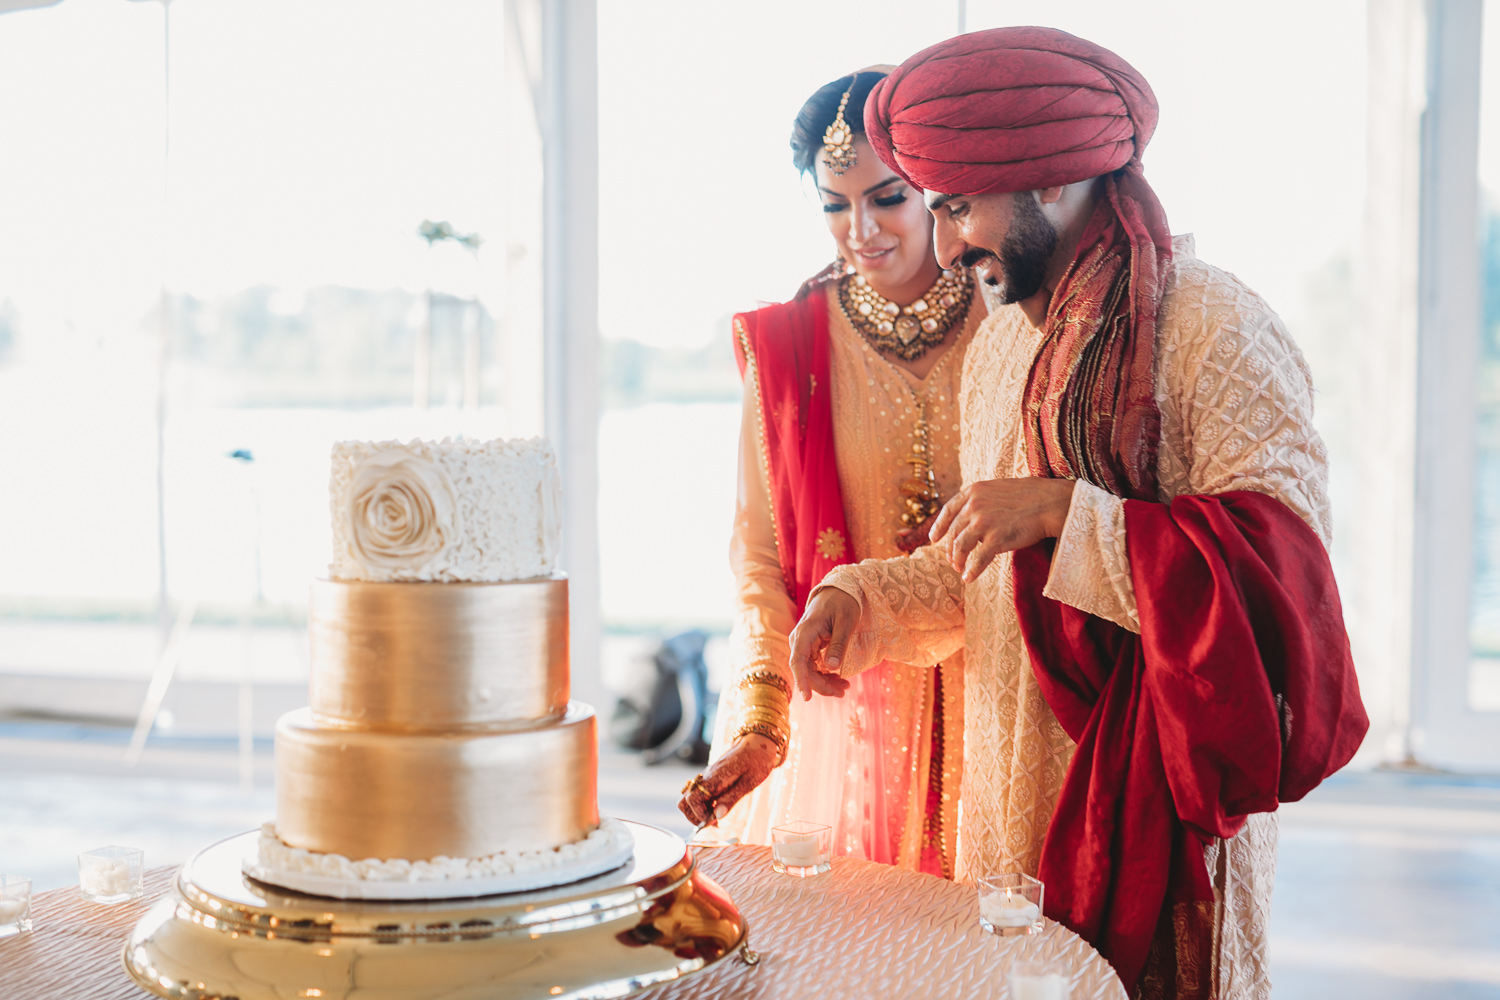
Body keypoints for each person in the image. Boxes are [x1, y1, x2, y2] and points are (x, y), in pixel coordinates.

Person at [786, 28, 1368, 1000]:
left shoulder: (1215, 331)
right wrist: (863, 600)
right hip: (1009, 841)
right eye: (937, 209)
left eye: (960, 206)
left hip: (1169, 850)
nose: (944, 242)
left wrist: (1072, 512)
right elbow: (982, 568)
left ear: (1050, 179)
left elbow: (1283, 599)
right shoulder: (1002, 346)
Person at [676, 69, 987, 877]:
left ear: (935, 189)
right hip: (853, 719)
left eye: (886, 197)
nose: (861, 229)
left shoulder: (1012, 323)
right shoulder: (786, 352)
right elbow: (759, 560)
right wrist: (759, 720)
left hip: (1001, 697)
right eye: (833, 204)